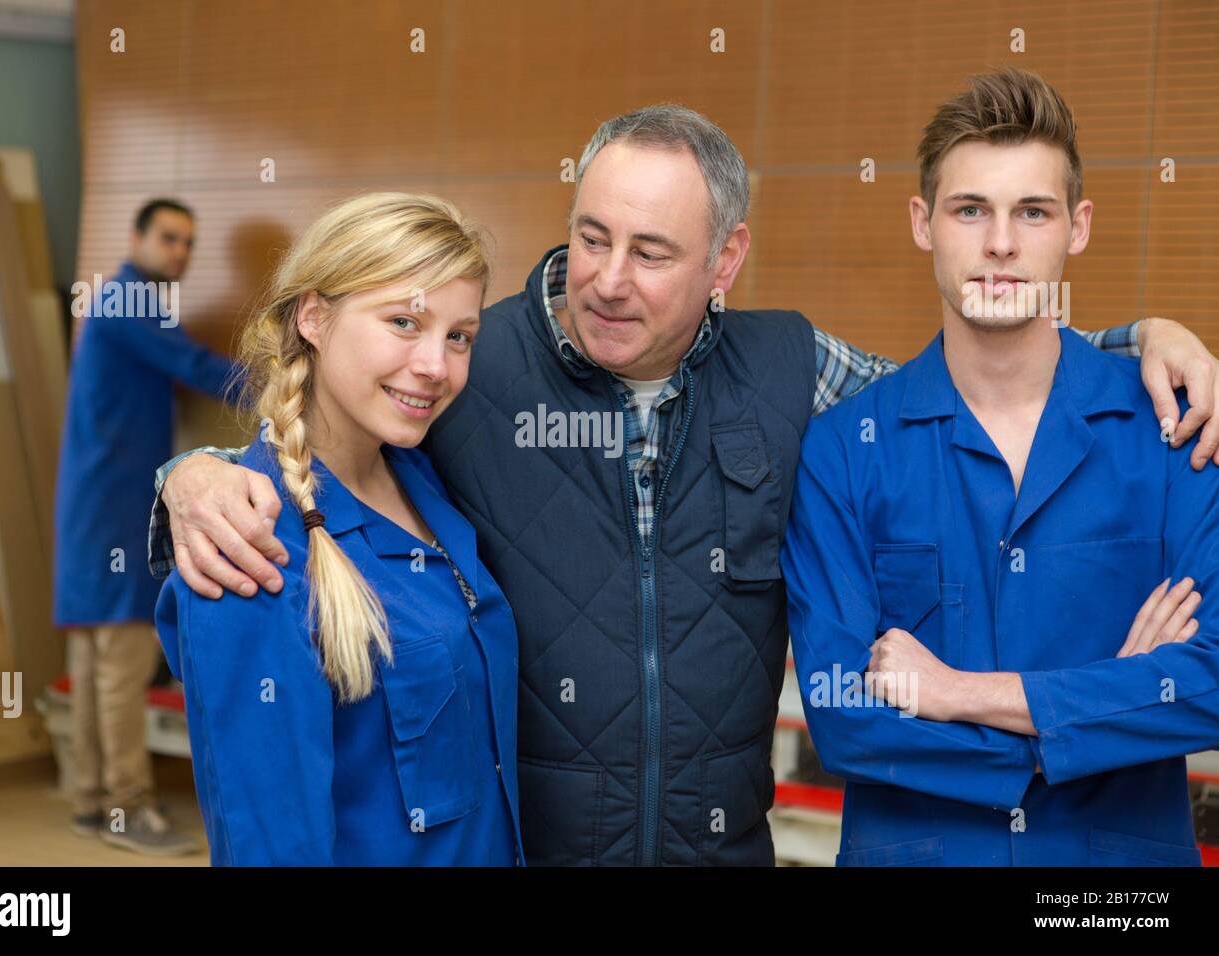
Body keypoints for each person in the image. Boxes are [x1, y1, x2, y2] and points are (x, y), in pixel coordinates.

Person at [147, 106, 1219, 866]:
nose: (607, 279)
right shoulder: (476, 370)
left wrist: (1132, 346)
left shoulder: (794, 371)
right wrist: (186, 476)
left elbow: (979, 375)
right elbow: (324, 441)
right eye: (591, 237)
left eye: (653, 251)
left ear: (725, 260)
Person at [782, 68, 1219, 866]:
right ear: (923, 222)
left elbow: (1213, 681)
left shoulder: (1173, 427)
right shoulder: (845, 450)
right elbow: (845, 717)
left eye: (1033, 212)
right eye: (971, 209)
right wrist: (1097, 707)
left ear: (1077, 227)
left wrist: (961, 693)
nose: (1001, 244)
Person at [154, 193, 522, 865]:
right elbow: (271, 845)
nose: (436, 366)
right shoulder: (249, 547)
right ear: (315, 316)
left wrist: (183, 467)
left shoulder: (429, 480)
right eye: (404, 322)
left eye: (458, 336)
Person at [54, 198, 234, 855]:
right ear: (137, 238)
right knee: (123, 660)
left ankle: (91, 803)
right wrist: (285, 390)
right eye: (168, 238)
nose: (180, 252)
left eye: (188, 241)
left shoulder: (117, 302)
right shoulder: (133, 302)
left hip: (92, 503)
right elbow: (198, 367)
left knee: (98, 657)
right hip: (115, 508)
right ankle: (127, 809)